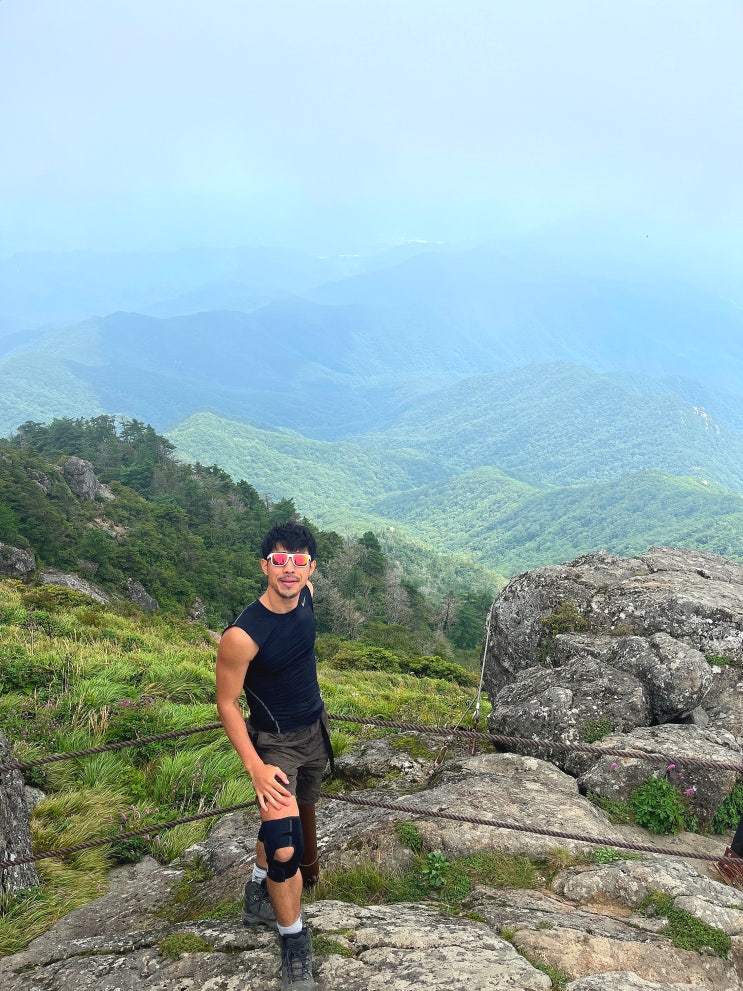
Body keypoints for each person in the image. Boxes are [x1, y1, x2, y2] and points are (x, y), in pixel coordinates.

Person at [216, 522, 331, 991]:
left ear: (311, 569)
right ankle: (293, 940)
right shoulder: (242, 636)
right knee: (287, 847)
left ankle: (256, 889)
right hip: (276, 745)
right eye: (279, 560)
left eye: (299, 561)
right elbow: (226, 703)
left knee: (285, 823)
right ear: (264, 565)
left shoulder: (304, 598)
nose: (289, 569)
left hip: (314, 732)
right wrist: (256, 766)